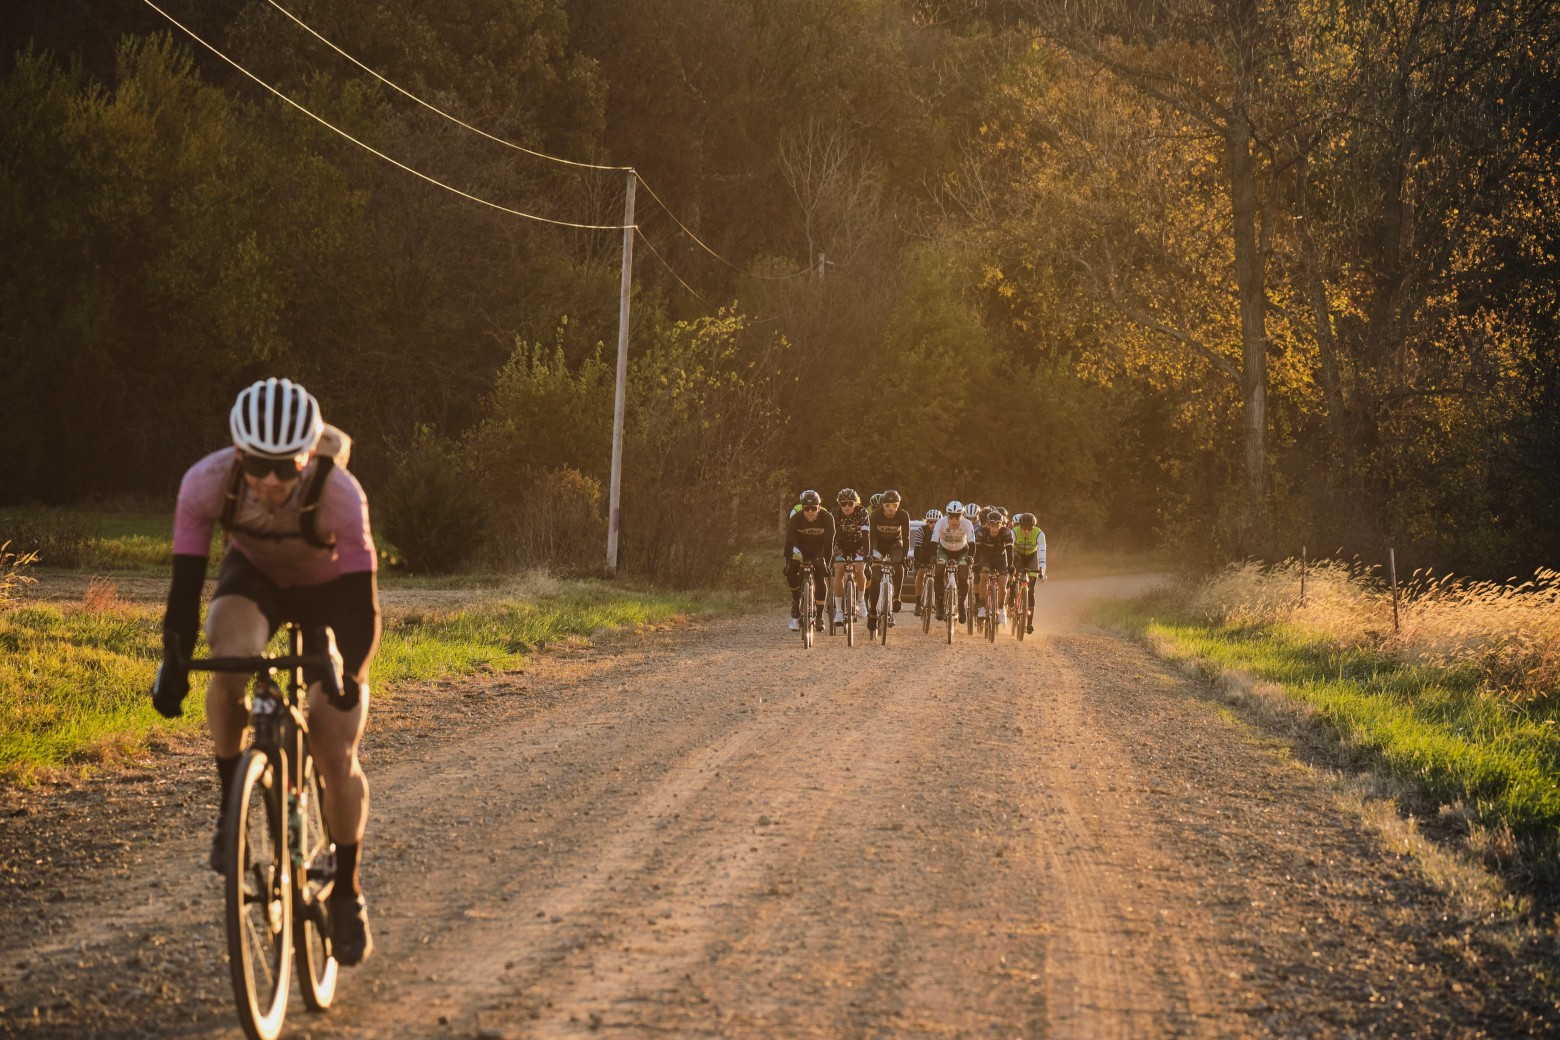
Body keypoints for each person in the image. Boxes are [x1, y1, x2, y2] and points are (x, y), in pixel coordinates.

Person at [150, 378, 381, 966]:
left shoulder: (341, 496)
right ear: (237, 453)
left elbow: (362, 606)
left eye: (285, 466)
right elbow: (185, 587)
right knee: (226, 659)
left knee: (334, 750)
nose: (272, 480)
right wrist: (173, 659)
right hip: (255, 583)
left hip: (330, 593)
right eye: (258, 464)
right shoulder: (206, 484)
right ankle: (233, 801)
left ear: (308, 455)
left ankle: (348, 891)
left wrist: (348, 676)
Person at [783, 489, 835, 631]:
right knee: (792, 570)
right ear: (802, 507)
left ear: (819, 507)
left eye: (813, 508)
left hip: (819, 549)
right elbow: (789, 542)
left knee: (820, 575)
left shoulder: (827, 518)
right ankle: (796, 600)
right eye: (807, 508)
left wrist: (827, 564)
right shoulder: (796, 518)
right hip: (800, 548)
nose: (810, 512)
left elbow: (829, 543)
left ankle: (819, 616)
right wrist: (787, 562)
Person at [865, 489, 911, 632]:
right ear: (882, 506)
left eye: (895, 506)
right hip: (878, 544)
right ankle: (872, 610)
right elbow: (871, 537)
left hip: (894, 544)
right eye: (888, 506)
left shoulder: (903, 515)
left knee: (898, 565)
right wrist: (869, 555)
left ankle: (896, 597)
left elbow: (906, 537)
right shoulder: (875, 515)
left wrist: (905, 556)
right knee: (876, 577)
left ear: (898, 505)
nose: (891, 510)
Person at [931, 501, 976, 624]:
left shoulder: (968, 523)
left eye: (957, 516)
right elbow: (934, 541)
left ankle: (961, 605)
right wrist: (933, 556)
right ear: (947, 515)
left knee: (963, 576)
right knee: (939, 571)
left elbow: (972, 543)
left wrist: (970, 557)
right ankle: (940, 604)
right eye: (951, 516)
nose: (954, 520)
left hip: (962, 551)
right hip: (944, 550)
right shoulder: (941, 522)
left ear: (962, 515)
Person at [830, 488, 870, 623]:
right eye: (843, 503)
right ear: (839, 504)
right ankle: (839, 611)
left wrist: (866, 553)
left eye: (850, 503)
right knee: (839, 570)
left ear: (856, 503)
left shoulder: (862, 512)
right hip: (840, 544)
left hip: (858, 544)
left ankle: (860, 600)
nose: (847, 507)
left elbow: (866, 535)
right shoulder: (834, 513)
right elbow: (831, 536)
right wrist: (831, 552)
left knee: (859, 569)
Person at [972, 507, 1015, 626]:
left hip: (1000, 558)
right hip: (986, 557)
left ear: (1001, 524)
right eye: (992, 525)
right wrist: (976, 564)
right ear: (988, 525)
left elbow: (1010, 550)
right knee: (984, 575)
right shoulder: (981, 532)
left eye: (997, 525)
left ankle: (1001, 610)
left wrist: (1010, 565)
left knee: (1002, 582)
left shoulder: (1006, 532)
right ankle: (981, 606)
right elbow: (977, 550)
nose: (995, 528)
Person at [1011, 512, 1048, 635]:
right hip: (1017, 555)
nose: (1026, 531)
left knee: (1031, 589)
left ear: (1033, 527)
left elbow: (1042, 553)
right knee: (1013, 573)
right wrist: (1009, 569)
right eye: (1023, 528)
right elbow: (1008, 550)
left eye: (1029, 529)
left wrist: (1042, 570)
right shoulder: (1014, 532)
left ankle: (1029, 623)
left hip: (1032, 556)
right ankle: (1012, 596)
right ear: (1019, 526)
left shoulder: (1039, 534)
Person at [912, 508, 941, 616]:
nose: (933, 524)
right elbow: (917, 547)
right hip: (924, 554)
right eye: (930, 522)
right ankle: (918, 603)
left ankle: (940, 602)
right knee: (920, 573)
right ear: (926, 522)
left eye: (936, 522)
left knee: (942, 574)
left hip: (938, 555)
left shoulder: (942, 530)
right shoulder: (922, 530)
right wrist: (917, 561)